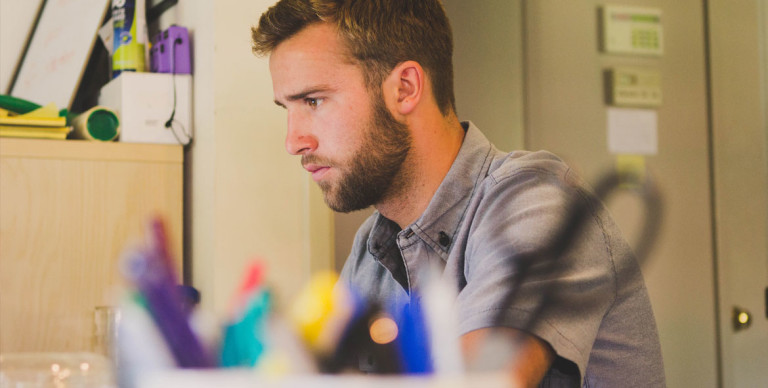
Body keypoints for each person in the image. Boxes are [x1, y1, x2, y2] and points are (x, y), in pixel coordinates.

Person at [251, 0, 665, 386]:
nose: (294, 141)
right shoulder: (370, 251)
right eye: (286, 108)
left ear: (406, 88)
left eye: (313, 101)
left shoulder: (538, 200)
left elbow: (482, 379)